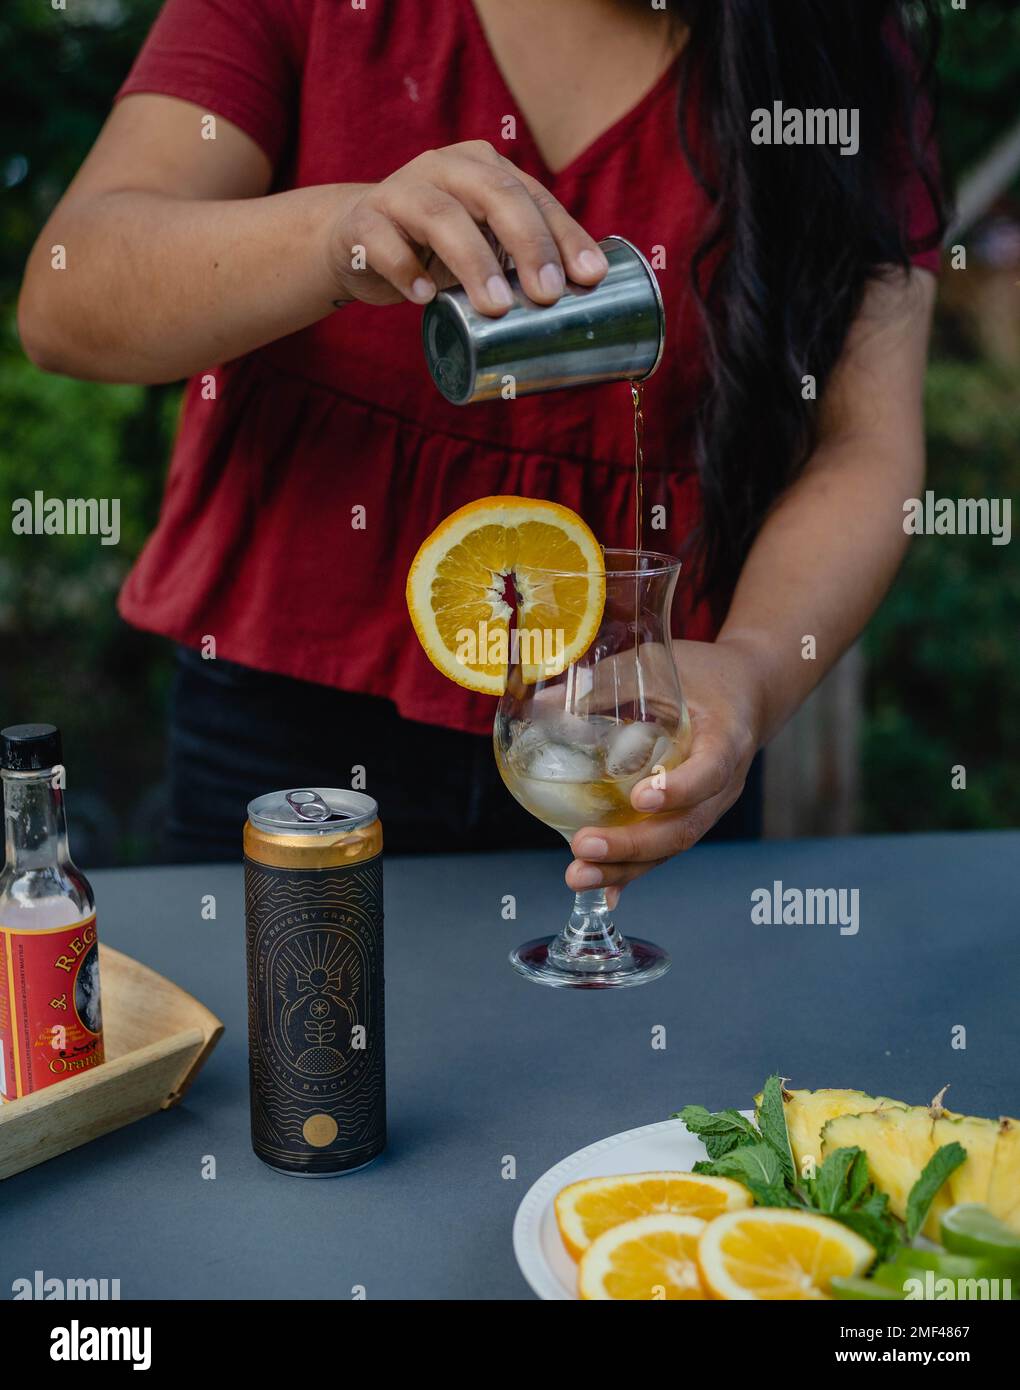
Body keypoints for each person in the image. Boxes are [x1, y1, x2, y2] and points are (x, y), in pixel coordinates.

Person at [17, 0, 943, 895]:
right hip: (281, 714)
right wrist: (335, 238)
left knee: (638, 1051)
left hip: (648, 728)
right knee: (281, 1045)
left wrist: (753, 668)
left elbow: (862, 445)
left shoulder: (835, 51)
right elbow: (68, 298)